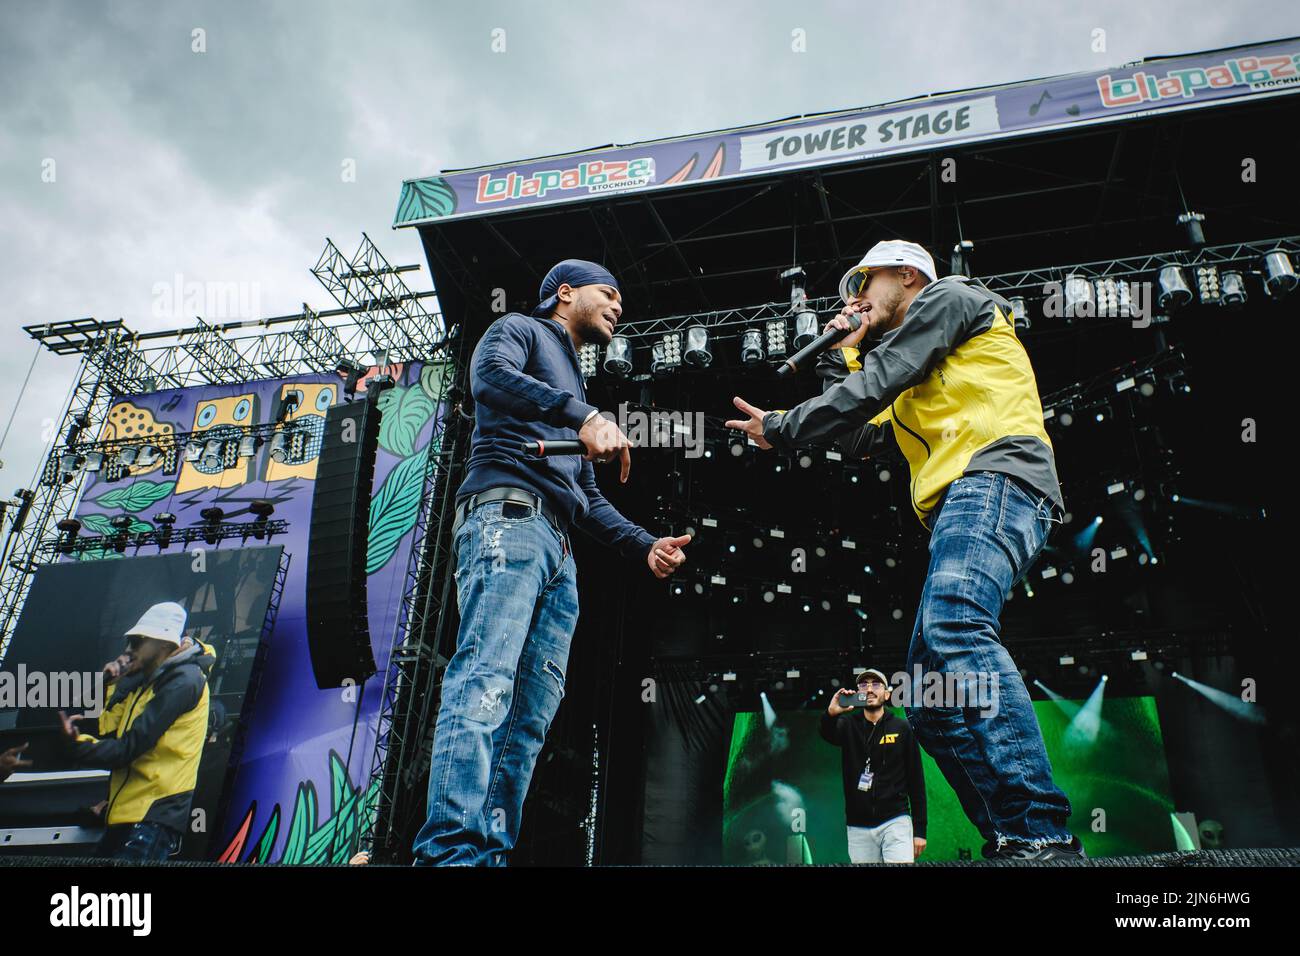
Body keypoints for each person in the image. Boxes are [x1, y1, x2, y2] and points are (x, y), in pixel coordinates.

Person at [727, 239, 1083, 860]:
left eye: (865, 281)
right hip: (962, 504)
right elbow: (864, 432)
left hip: (998, 478)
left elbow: (875, 385)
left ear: (907, 274)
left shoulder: (950, 297)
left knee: (957, 624)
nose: (855, 296)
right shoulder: (909, 361)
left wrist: (784, 427)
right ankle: (1009, 834)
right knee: (925, 697)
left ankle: (1042, 826)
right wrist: (840, 354)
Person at [413, 259, 692, 866]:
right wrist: (584, 417)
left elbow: (587, 499)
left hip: (557, 546)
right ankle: (448, 852)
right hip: (506, 517)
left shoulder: (575, 383)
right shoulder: (519, 330)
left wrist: (644, 544)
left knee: (531, 711)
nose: (620, 305)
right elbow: (487, 377)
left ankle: (486, 852)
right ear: (565, 294)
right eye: (608, 292)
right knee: (485, 677)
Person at [59, 601, 214, 861]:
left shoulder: (184, 681)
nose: (130, 649)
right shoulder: (147, 680)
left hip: (153, 813)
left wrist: (77, 746)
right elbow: (108, 730)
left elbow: (129, 747)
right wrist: (113, 681)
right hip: (130, 811)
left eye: (138, 641)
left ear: (165, 645)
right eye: (130, 641)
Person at [822, 669, 927, 863]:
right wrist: (831, 713)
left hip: (896, 820)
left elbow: (916, 781)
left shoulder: (902, 728)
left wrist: (920, 830)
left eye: (876, 684)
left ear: (887, 694)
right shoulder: (848, 724)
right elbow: (827, 734)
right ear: (858, 692)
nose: (869, 689)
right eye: (864, 685)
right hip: (858, 826)